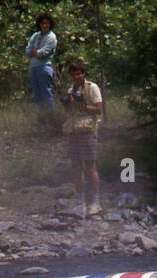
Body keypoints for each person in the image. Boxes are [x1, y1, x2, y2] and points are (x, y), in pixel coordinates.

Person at [60, 59, 103, 216]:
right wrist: (67, 103)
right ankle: (80, 201)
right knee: (76, 167)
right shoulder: (72, 89)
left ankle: (96, 202)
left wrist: (82, 105)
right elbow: (70, 111)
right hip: (74, 130)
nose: (76, 76)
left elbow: (99, 109)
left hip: (87, 130)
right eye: (73, 74)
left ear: (83, 73)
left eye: (79, 73)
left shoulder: (92, 88)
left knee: (90, 167)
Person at [25, 14, 57, 110]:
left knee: (46, 93)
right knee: (37, 94)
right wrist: (32, 53)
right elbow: (28, 49)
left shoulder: (51, 37)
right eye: (42, 23)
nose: (44, 25)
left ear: (50, 24)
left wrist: (36, 53)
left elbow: (45, 52)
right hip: (34, 67)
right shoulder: (35, 35)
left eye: (47, 23)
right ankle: (42, 116)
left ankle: (50, 116)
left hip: (44, 67)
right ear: (39, 24)